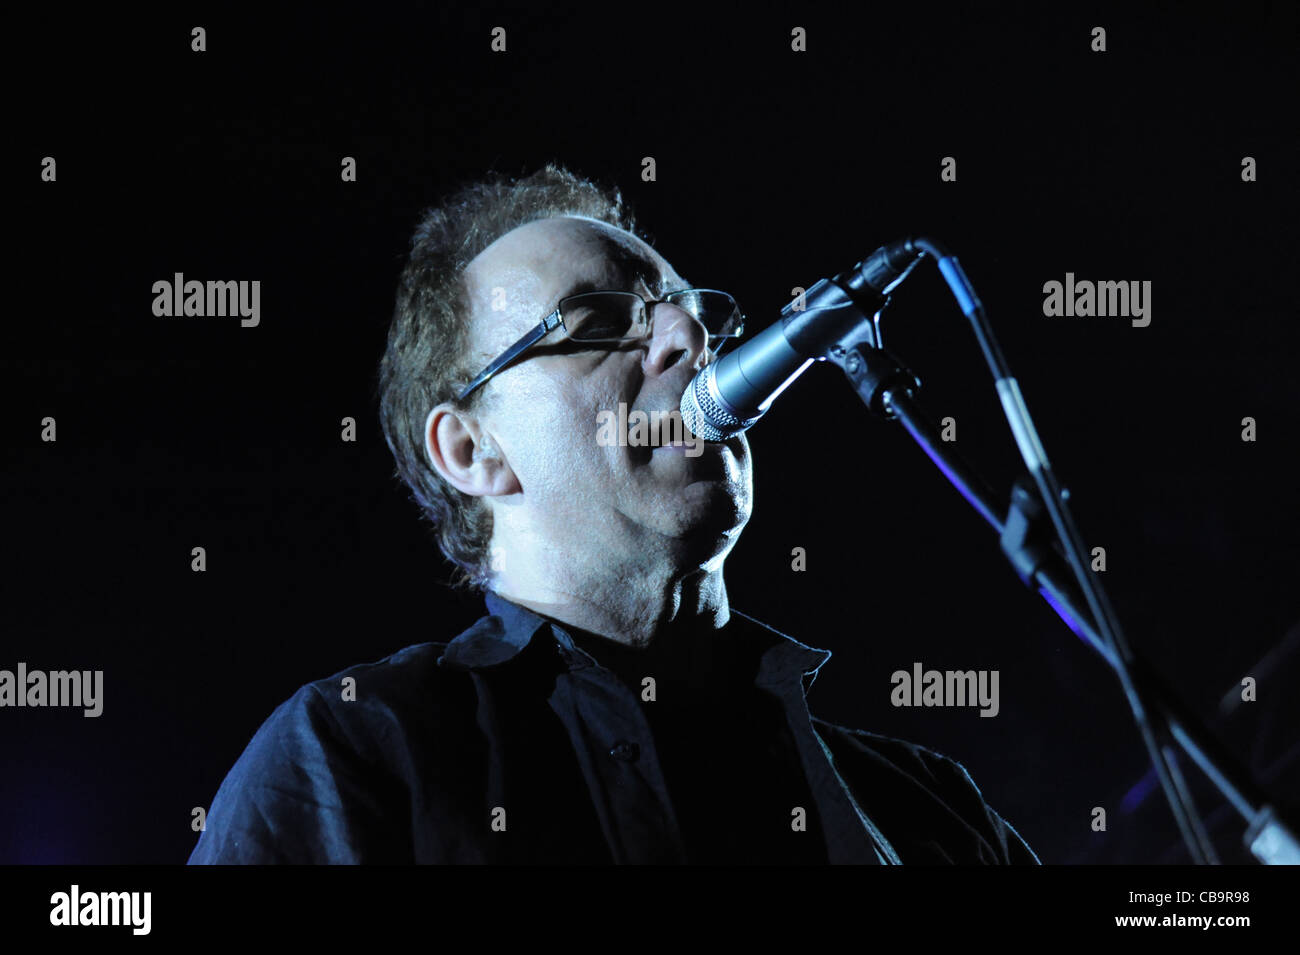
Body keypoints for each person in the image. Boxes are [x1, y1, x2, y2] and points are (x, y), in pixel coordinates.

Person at [188, 164, 1038, 864]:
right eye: (599, 320)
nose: (688, 339)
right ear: (471, 450)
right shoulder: (355, 754)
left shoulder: (934, 810)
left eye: (691, 312)